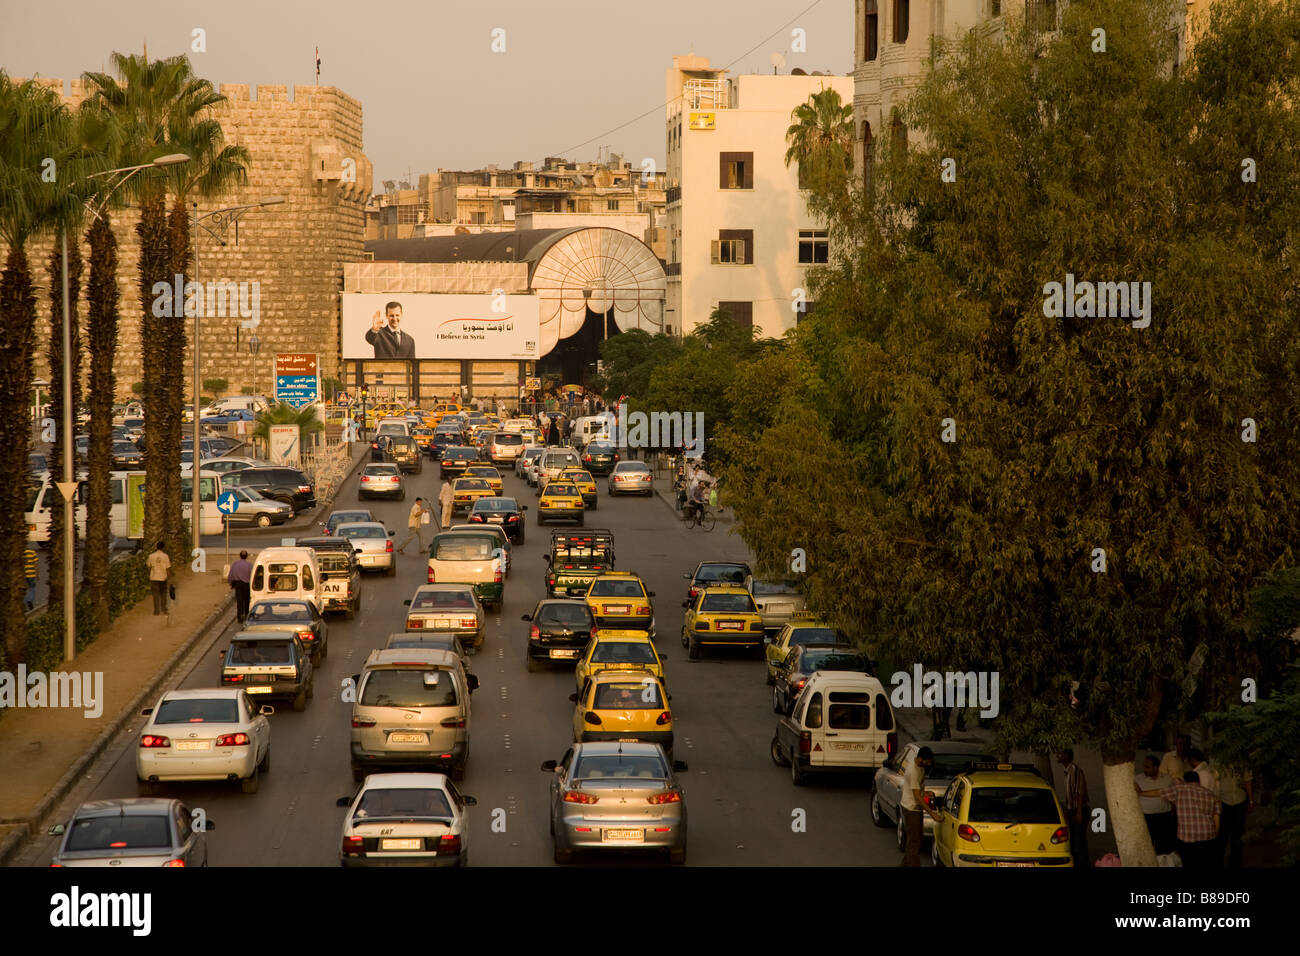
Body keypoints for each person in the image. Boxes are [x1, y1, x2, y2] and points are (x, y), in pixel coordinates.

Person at [1139, 771, 1220, 868]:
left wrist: (1141, 793)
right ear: (1198, 781)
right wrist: (1215, 835)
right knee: (1205, 862)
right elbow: (1216, 817)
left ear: (1185, 781)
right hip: (1208, 835)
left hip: (1187, 837)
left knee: (1188, 862)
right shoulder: (1211, 794)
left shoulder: (1179, 789)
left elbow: (1158, 792)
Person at [899, 746, 942, 866]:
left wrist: (925, 792)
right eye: (927, 762)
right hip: (912, 808)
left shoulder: (919, 766)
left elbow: (918, 790)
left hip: (910, 806)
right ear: (920, 758)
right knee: (915, 842)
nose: (928, 764)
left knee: (913, 840)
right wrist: (932, 814)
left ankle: (905, 864)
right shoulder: (914, 771)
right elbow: (917, 797)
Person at [1205, 761, 1252, 868]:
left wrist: (1251, 800)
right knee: (1223, 833)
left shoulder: (1241, 762)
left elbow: (1247, 780)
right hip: (1224, 802)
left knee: (1238, 832)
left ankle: (1235, 859)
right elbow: (1214, 783)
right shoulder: (1217, 763)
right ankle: (1218, 859)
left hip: (1240, 801)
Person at [1135, 755, 1176, 855]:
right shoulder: (1137, 779)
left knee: (1164, 848)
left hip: (1164, 817)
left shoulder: (1168, 779)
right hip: (1146, 818)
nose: (1145, 769)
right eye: (1144, 766)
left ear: (1156, 767)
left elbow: (1173, 798)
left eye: (1148, 767)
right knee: (1146, 846)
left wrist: (1173, 813)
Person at [1056, 749, 1090, 865]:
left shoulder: (1075, 771)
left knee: (1079, 841)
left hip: (1079, 809)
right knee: (1075, 841)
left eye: (1060, 753)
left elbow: (1079, 792)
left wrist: (1079, 812)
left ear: (1066, 756)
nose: (1057, 755)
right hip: (1073, 810)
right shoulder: (1067, 771)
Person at [227, 550, 253, 623]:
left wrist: (230, 583)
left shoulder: (235, 564)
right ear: (247, 556)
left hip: (238, 584)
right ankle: (246, 615)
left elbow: (230, 575)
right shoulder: (249, 565)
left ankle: (239, 617)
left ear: (240, 556)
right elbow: (252, 575)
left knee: (239, 601)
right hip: (246, 585)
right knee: (246, 601)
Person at [147, 540, 171, 616]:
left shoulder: (151, 556)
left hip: (154, 577)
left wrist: (150, 573)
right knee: (163, 593)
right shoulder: (165, 556)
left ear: (156, 547)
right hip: (163, 577)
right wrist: (168, 577)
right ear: (163, 547)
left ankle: (156, 610)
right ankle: (164, 608)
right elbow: (167, 568)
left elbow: (148, 566)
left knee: (155, 594)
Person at [24, 547, 37, 611]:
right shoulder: (32, 553)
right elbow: (36, 564)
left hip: (24, 574)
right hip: (31, 574)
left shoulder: (22, 553)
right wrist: (37, 574)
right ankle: (30, 600)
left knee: (24, 589)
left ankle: (24, 602)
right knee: (32, 588)